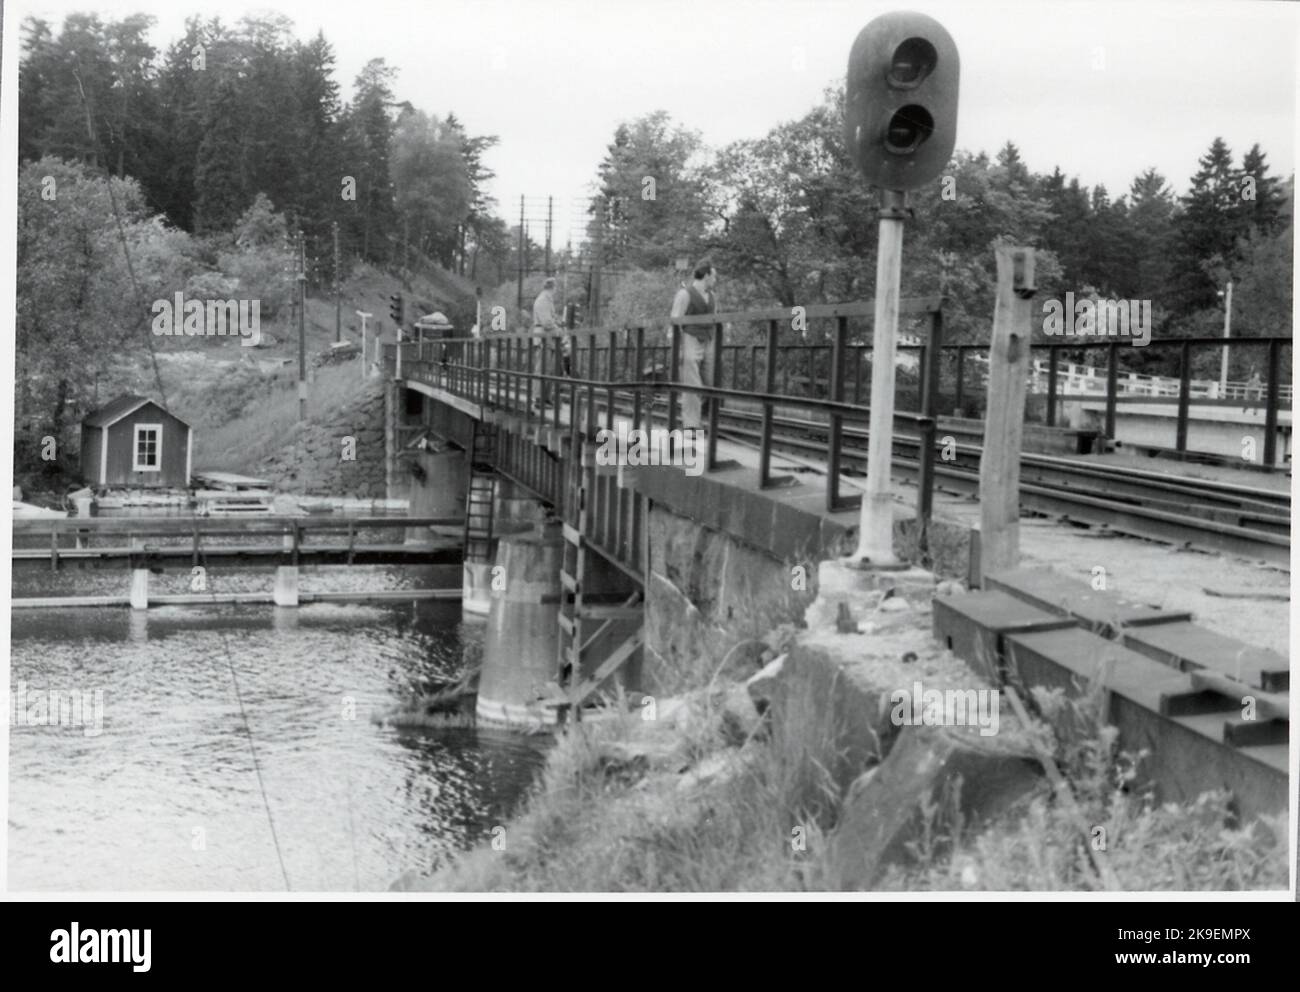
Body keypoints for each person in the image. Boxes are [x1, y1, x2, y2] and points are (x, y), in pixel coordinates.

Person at [670, 260, 718, 431]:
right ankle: (691, 425)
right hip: (690, 338)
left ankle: (706, 418)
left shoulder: (712, 296)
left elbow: (715, 319)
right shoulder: (685, 294)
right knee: (692, 383)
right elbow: (675, 320)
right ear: (706, 276)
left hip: (709, 340)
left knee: (710, 382)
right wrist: (678, 347)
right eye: (713, 276)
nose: (715, 280)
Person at [532, 278, 562, 409]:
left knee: (549, 368)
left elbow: (551, 319)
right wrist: (559, 329)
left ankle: (546, 398)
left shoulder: (547, 299)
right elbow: (547, 322)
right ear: (552, 287)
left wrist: (557, 324)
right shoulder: (543, 300)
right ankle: (539, 398)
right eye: (556, 287)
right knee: (542, 368)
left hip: (549, 337)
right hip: (544, 336)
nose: (556, 290)